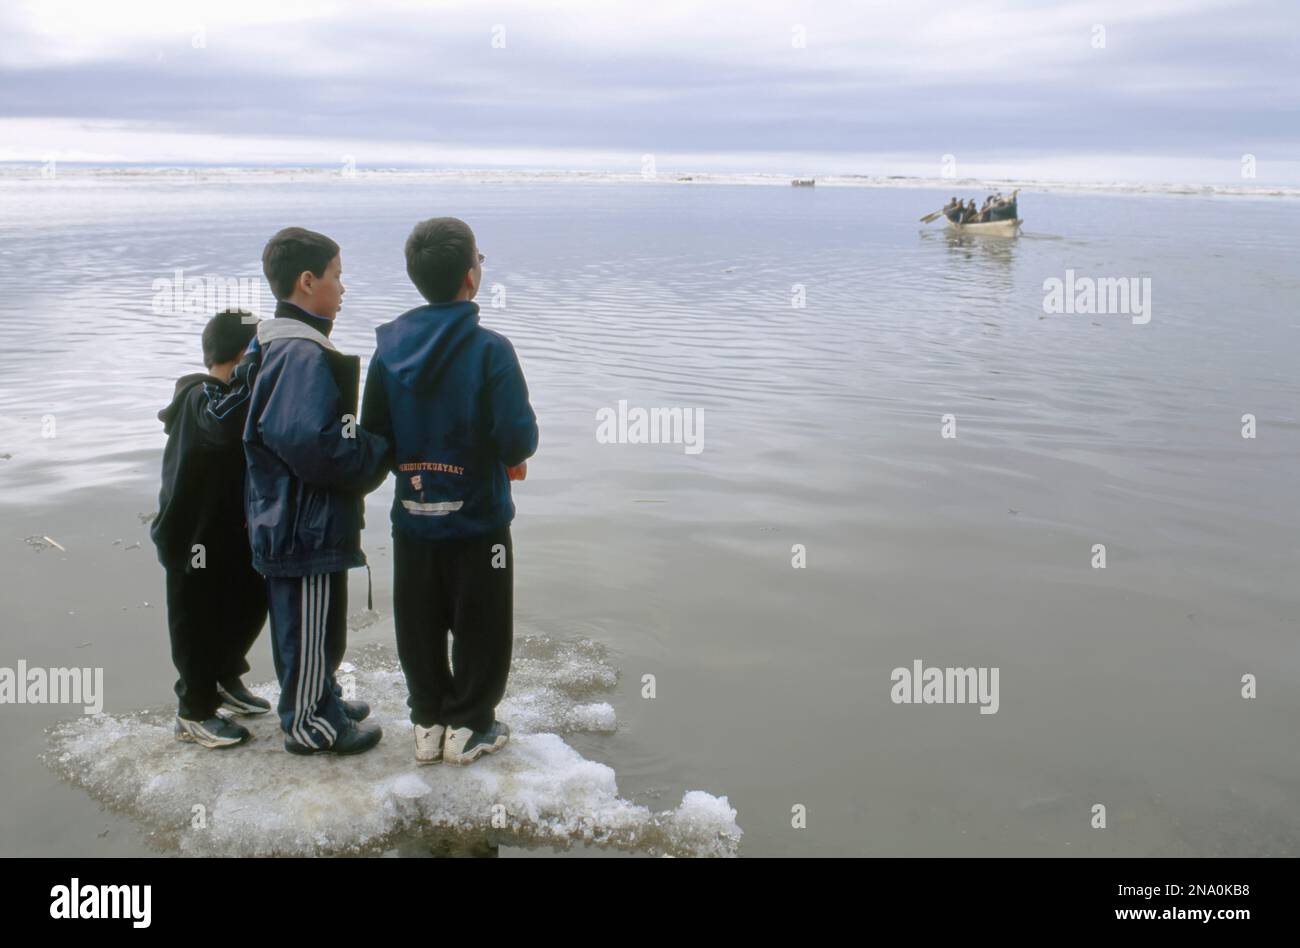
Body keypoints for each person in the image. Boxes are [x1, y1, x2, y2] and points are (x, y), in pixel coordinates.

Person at [361, 217, 538, 766]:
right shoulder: (491, 350)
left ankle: (427, 722)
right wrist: (511, 458)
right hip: (479, 518)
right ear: (470, 276)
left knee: (417, 617)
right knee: (481, 622)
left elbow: (376, 435)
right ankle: (470, 725)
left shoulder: (388, 351)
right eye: (480, 259)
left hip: (413, 515)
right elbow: (517, 436)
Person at [242, 227, 392, 756]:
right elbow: (310, 441)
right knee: (307, 628)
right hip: (301, 523)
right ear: (307, 282)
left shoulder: (275, 340)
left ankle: (321, 698)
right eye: (337, 275)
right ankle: (308, 722)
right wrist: (376, 452)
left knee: (317, 627)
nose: (343, 287)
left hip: (291, 518)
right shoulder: (300, 352)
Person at [151, 309, 270, 749]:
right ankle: (194, 708)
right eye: (259, 352)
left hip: (228, 534)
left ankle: (224, 678)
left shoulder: (226, 395)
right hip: (191, 538)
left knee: (247, 605)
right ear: (241, 356)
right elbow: (222, 429)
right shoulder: (202, 396)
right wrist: (255, 368)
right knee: (197, 623)